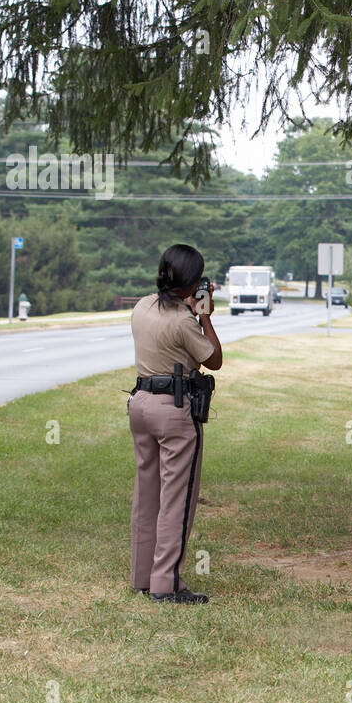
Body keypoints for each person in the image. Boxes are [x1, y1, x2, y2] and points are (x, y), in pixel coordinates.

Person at [127, 244, 223, 604]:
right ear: (191, 282)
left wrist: (189, 304)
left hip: (140, 404)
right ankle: (165, 584)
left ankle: (141, 576)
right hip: (174, 410)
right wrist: (206, 315)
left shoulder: (142, 306)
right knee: (176, 500)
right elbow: (214, 359)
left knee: (147, 494)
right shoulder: (185, 321)